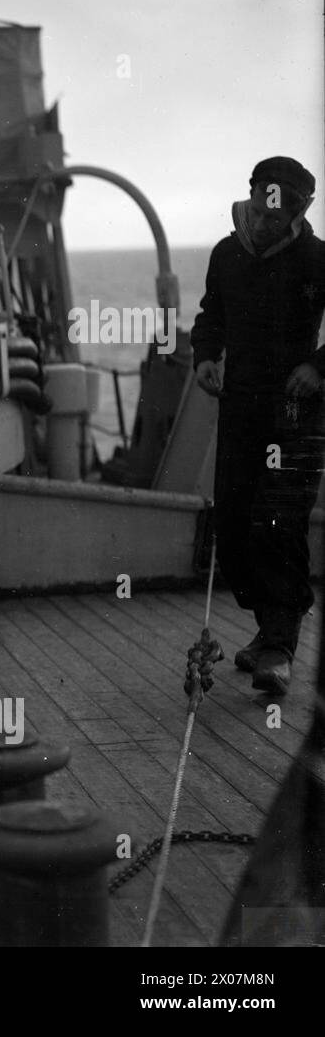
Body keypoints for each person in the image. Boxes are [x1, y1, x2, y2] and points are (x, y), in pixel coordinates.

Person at [192, 156, 325, 696]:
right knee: (235, 520)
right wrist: (206, 354)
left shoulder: (317, 259)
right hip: (241, 406)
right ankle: (267, 628)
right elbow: (211, 315)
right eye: (260, 207)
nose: (266, 222)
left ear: (300, 212)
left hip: (295, 411)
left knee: (279, 520)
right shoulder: (226, 254)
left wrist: (318, 365)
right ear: (251, 195)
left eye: (279, 214)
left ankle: (278, 643)